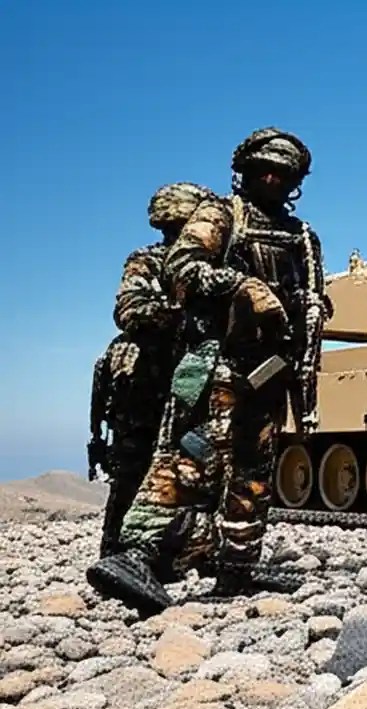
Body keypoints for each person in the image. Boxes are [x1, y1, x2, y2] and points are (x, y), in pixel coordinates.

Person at [86, 127, 329, 615]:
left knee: (254, 472)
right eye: (266, 168)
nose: (273, 178)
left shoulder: (302, 237)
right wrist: (239, 285)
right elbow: (184, 265)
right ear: (244, 171)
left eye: (284, 172)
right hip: (217, 361)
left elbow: (311, 295)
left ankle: (236, 567)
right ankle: (134, 555)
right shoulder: (221, 215)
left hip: (270, 367)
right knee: (192, 458)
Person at [90, 182, 219, 559]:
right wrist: (181, 316)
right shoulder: (147, 262)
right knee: (135, 464)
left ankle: (182, 551)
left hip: (195, 375)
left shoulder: (211, 266)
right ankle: (116, 554)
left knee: (197, 465)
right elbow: (129, 310)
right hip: (148, 376)